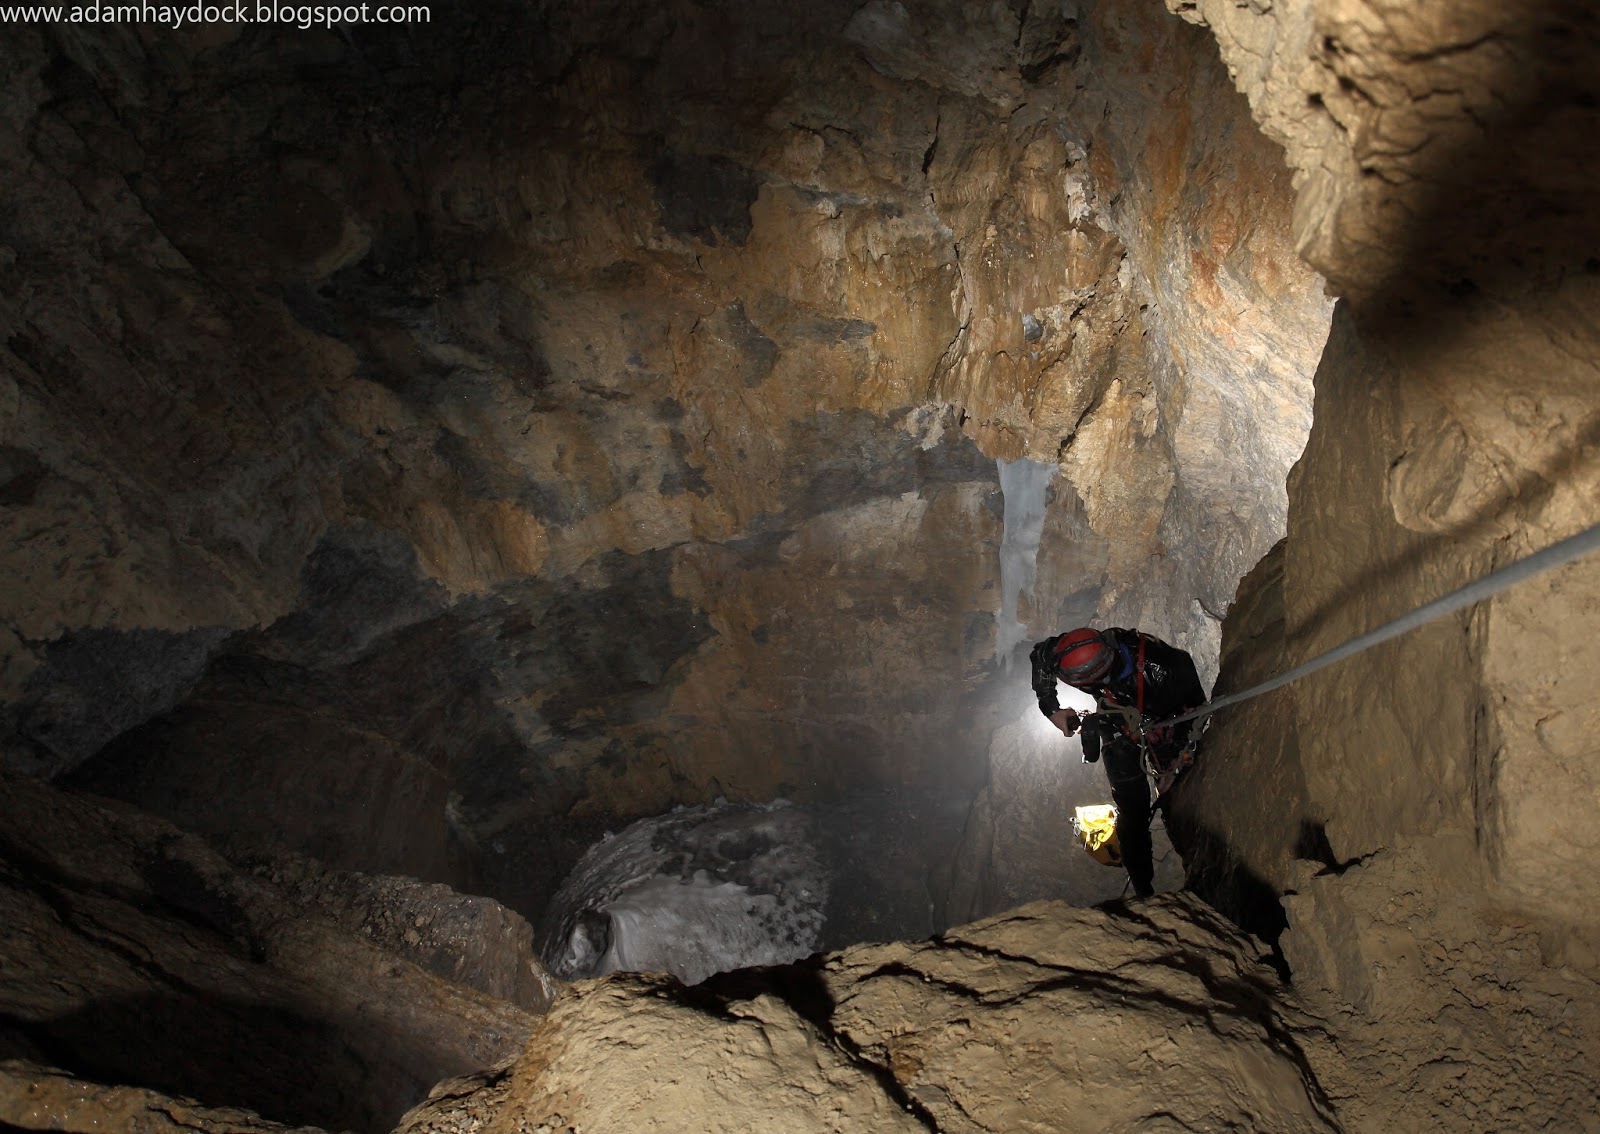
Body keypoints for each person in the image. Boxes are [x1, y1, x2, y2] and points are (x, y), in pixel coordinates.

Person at [1029, 626, 1205, 898]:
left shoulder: (1162, 670)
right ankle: (1143, 889)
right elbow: (1040, 656)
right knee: (1132, 810)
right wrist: (1051, 709)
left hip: (1164, 713)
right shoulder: (1068, 651)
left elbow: (1191, 711)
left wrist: (1173, 764)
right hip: (1117, 708)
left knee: (1171, 788)